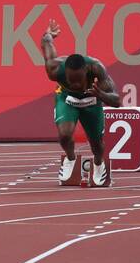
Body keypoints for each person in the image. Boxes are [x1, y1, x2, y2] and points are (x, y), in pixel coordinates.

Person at [41, 19, 120, 186]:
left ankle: (98, 163)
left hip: (92, 99)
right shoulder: (54, 69)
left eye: (78, 80)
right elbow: (46, 43)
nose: (76, 85)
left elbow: (117, 101)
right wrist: (49, 34)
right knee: (64, 134)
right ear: (65, 73)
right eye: (71, 80)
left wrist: (102, 95)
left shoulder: (96, 68)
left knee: (96, 144)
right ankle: (70, 158)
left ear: (86, 71)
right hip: (67, 99)